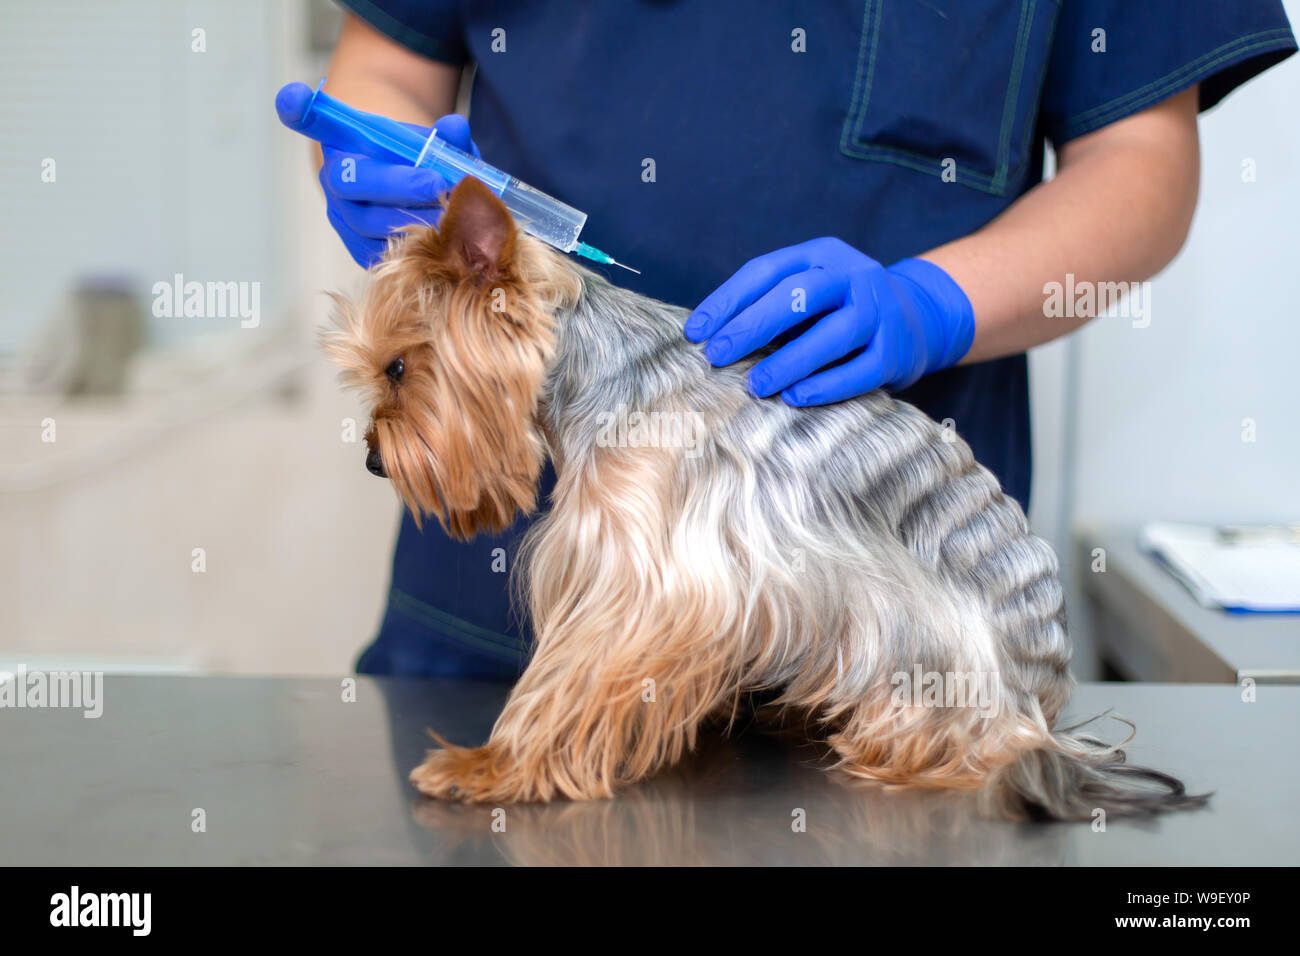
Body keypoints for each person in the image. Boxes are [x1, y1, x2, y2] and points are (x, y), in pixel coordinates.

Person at [280, 2, 1295, 680]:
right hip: (517, 615)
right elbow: (384, 62)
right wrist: (388, 159)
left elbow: (1140, 164)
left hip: (883, 606)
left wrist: (933, 302)